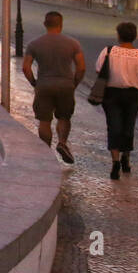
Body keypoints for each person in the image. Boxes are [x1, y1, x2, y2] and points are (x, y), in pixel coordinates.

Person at [22, 11, 86, 164]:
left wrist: (34, 83)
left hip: (44, 85)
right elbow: (81, 67)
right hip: (65, 85)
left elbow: (26, 67)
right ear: (61, 24)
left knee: (44, 120)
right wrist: (74, 83)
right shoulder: (73, 43)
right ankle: (62, 142)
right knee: (64, 117)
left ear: (45, 24)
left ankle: (45, 152)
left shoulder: (34, 44)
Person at [94, 22, 138, 179]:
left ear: (118, 35)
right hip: (132, 95)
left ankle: (115, 162)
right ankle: (126, 157)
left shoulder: (109, 51)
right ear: (135, 36)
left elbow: (98, 69)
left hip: (111, 94)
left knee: (113, 126)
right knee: (128, 126)